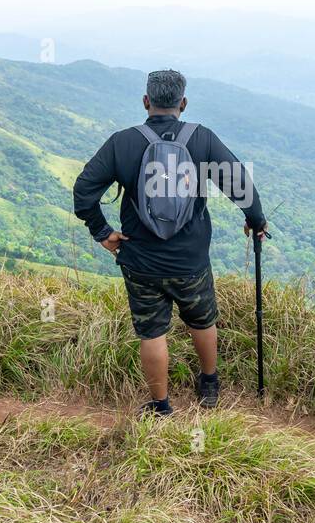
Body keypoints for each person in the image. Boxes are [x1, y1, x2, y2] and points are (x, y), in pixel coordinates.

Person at [73, 69, 268, 416]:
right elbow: (240, 184)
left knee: (152, 333)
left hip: (140, 260)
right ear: (184, 103)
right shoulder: (202, 139)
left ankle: (161, 406)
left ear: (146, 102)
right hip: (190, 259)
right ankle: (209, 384)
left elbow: (83, 191)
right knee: (202, 321)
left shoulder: (123, 142)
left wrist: (102, 232)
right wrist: (256, 221)